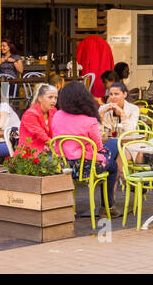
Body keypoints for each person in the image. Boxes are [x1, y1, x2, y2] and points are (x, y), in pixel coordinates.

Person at [51, 81, 119, 216]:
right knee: (115, 145)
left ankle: (106, 206)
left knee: (113, 165)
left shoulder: (57, 115)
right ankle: (107, 207)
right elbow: (98, 146)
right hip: (86, 166)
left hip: (62, 164)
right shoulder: (89, 120)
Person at [17, 84, 57, 154]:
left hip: (47, 150)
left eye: (55, 98)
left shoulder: (53, 111)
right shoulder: (30, 114)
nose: (54, 101)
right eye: (50, 97)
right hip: (30, 154)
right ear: (40, 98)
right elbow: (42, 136)